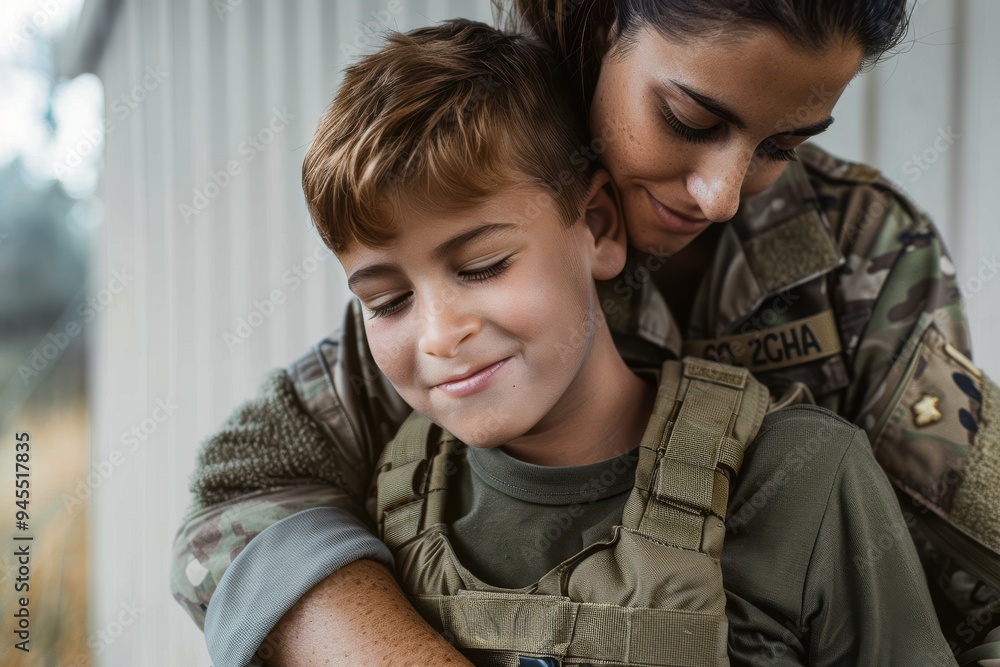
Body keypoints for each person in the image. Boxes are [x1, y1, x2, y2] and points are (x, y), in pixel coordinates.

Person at [171, 1, 1000, 664]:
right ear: (592, 20)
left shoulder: (862, 250)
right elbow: (241, 498)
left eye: (780, 142)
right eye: (688, 117)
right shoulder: (487, 187)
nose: (722, 194)